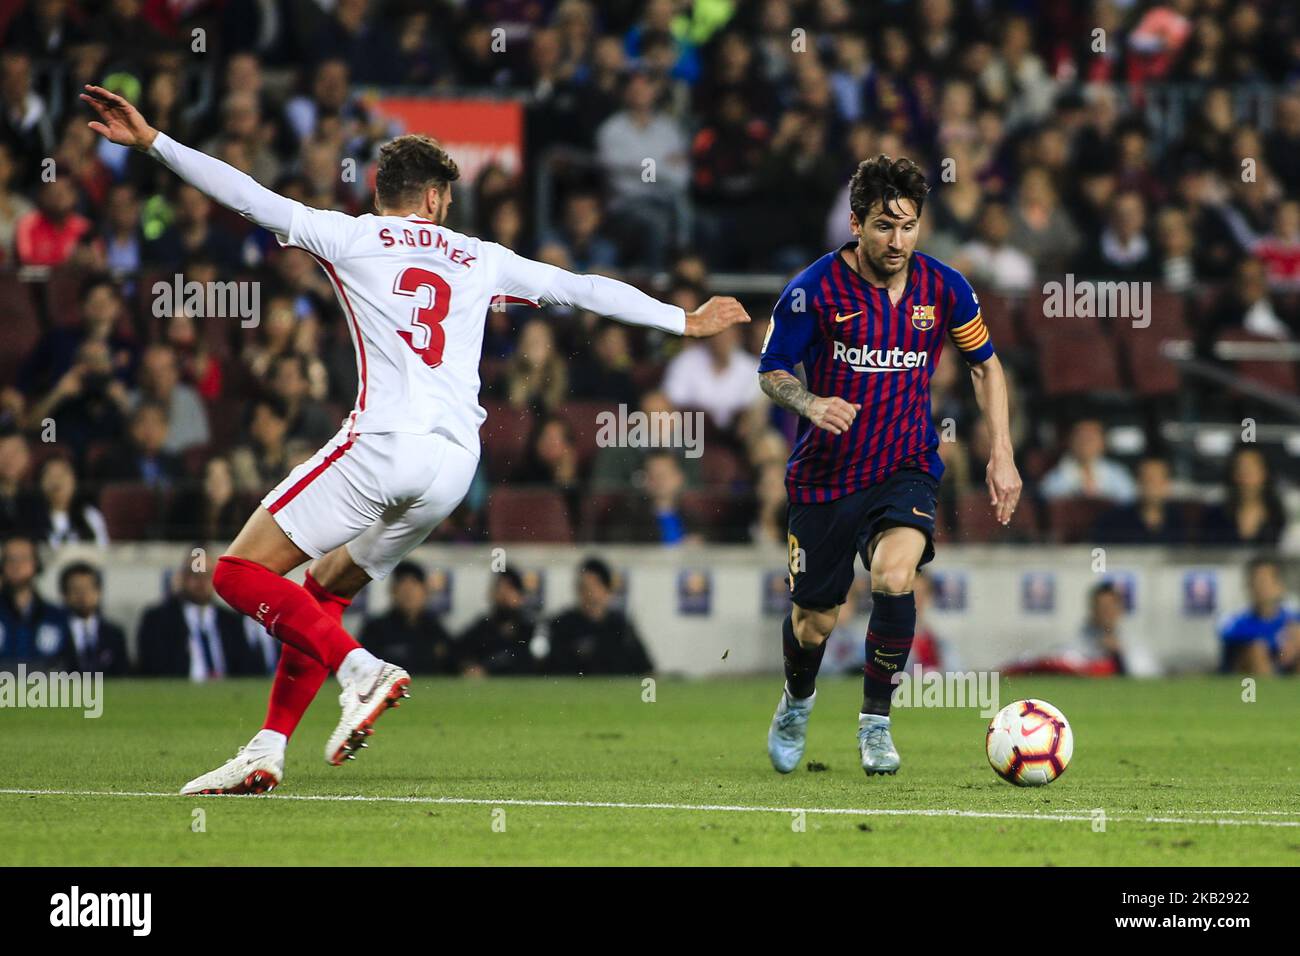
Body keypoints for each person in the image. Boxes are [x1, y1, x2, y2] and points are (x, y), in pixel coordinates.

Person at [80, 83, 748, 795]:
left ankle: (362, 670)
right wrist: (682, 322)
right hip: (454, 468)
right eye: (447, 198)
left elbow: (246, 194)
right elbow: (581, 287)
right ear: (432, 198)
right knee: (325, 591)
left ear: (382, 192)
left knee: (237, 574)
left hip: (384, 444)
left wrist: (154, 142)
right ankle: (268, 746)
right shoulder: (479, 256)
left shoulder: (351, 234)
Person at [757, 155, 1022, 778]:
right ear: (855, 222)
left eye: (908, 226)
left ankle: (875, 723)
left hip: (906, 463)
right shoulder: (811, 290)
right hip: (825, 474)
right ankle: (797, 701)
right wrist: (811, 400)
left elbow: (986, 366)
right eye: (883, 226)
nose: (896, 240)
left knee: (895, 575)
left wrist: (1002, 452)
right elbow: (771, 373)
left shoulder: (946, 287)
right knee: (815, 621)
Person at [136, 553, 255, 680]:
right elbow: (153, 667)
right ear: (182, 578)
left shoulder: (231, 621)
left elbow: (246, 668)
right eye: (195, 575)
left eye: (207, 575)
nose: (201, 582)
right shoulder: (157, 620)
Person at [545, 557, 652, 675]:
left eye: (594, 587)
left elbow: (646, 669)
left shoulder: (621, 626)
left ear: (607, 590)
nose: (589, 594)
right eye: (583, 588)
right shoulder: (563, 625)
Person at [358, 561, 457, 674]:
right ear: (393, 591)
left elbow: (455, 663)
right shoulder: (375, 630)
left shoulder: (435, 629)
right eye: (403, 588)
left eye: (413, 587)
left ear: (425, 592)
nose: (409, 594)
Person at [1218, 556, 1300, 675]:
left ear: (1280, 586)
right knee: (1256, 651)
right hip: (1244, 680)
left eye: (1266, 581)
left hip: (1285, 671)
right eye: (1256, 581)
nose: (1261, 587)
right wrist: (1281, 643)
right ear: (1249, 586)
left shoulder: (1293, 618)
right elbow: (1234, 639)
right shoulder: (1236, 621)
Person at [0, 535, 67, 671]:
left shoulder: (56, 616)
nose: (16, 565)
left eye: (23, 558)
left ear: (36, 563)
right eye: (10, 559)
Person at [457, 569, 543, 676]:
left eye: (509, 590)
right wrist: (469, 667)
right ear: (492, 593)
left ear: (520, 595)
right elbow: (458, 654)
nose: (504, 595)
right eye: (500, 589)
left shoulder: (530, 628)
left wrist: (488, 669)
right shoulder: (482, 628)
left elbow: (528, 660)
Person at [1091, 456, 1187, 544]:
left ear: (1168, 484)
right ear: (1137, 482)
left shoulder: (1181, 521)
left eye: (1158, 480)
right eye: (1147, 479)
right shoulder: (1112, 521)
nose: (1152, 486)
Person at [1039, 419, 1137, 504]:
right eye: (1081, 438)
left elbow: (1130, 503)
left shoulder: (1120, 475)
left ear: (1103, 443)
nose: (1086, 443)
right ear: (1070, 441)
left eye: (1091, 438)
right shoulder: (1053, 480)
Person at [57, 561, 130, 675]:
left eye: (88, 588)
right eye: (76, 589)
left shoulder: (114, 634)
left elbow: (123, 676)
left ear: (99, 592)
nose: (82, 595)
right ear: (65, 595)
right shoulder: (57, 632)